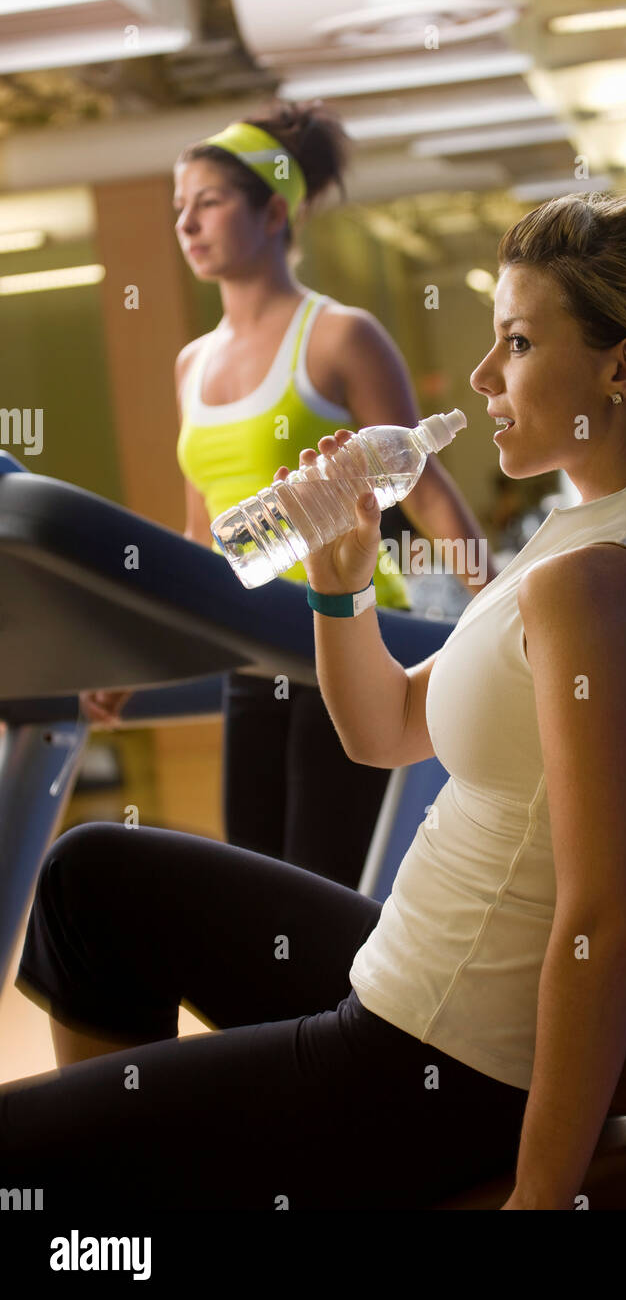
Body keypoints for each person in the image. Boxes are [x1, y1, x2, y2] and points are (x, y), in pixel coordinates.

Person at [3, 192, 626, 1212]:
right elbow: (383, 730)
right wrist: (341, 575)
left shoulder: (596, 584)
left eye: (515, 343)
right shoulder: (605, 528)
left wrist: (538, 1199)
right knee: (93, 880)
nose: (483, 377)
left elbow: (605, 919)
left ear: (623, 368)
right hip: (408, 981)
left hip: (433, 1063)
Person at [79, 101, 494, 888]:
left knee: (323, 886)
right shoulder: (189, 364)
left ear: (274, 210)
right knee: (256, 880)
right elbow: (202, 535)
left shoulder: (341, 335)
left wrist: (500, 601)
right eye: (179, 208)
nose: (187, 224)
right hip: (247, 647)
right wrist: (141, 654)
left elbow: (428, 488)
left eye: (208, 202)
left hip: (346, 635)